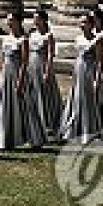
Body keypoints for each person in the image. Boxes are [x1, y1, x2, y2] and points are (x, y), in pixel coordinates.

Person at [0, 9, 46, 149]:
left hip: (17, 74)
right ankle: (1, 134)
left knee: (25, 106)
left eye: (11, 20)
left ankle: (33, 136)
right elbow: (1, 60)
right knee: (2, 103)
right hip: (6, 74)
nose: (9, 23)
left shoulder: (23, 40)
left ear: (18, 22)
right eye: (8, 20)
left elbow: (24, 61)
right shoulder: (6, 38)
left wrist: (20, 81)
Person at [60, 9, 103, 143]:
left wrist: (98, 77)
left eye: (84, 22)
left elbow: (100, 58)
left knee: (89, 101)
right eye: (80, 23)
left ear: (91, 24)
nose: (82, 25)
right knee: (77, 98)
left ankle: (90, 129)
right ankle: (74, 128)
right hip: (79, 71)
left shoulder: (97, 40)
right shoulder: (78, 38)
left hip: (90, 71)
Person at [27, 9, 63, 139]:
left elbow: (50, 56)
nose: (35, 21)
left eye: (37, 18)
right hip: (31, 65)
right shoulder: (31, 34)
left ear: (43, 20)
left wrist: (47, 70)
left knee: (45, 92)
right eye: (34, 18)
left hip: (42, 66)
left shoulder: (48, 36)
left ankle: (48, 121)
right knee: (32, 92)